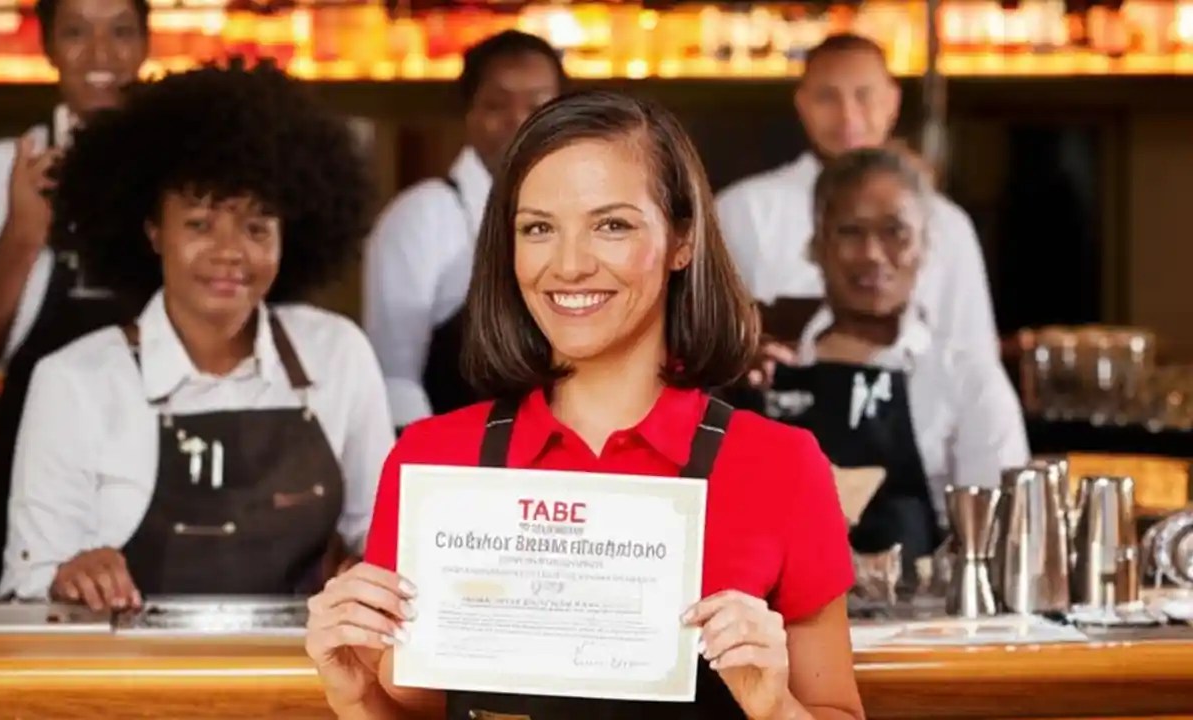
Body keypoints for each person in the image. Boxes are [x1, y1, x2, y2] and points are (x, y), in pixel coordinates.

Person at [306, 91, 864, 720]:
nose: (568, 266)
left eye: (612, 224)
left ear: (682, 239)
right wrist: (355, 695)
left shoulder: (780, 466)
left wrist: (773, 706)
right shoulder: (433, 461)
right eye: (538, 228)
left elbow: (834, 710)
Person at [0, 60, 393, 610]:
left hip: (304, 680)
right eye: (200, 224)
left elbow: (384, 538)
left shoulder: (337, 354)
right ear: (153, 231)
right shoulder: (74, 381)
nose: (230, 251)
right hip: (128, 685)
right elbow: (27, 582)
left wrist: (367, 569)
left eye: (257, 227)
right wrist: (69, 577)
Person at [0, 0, 150, 595]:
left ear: (146, 44)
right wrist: (22, 234)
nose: (101, 54)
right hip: (34, 477)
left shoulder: (186, 177)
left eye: (120, 31)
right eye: (76, 32)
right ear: (47, 46)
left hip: (161, 477)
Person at [742, 146, 1028, 567]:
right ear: (817, 245)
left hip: (928, 623)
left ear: (925, 246)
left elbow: (1005, 537)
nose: (873, 254)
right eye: (850, 232)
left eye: (895, 232)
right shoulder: (766, 369)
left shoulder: (968, 377)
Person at [716, 33, 997, 357]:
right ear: (802, 103)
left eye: (864, 95)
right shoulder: (744, 210)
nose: (848, 115)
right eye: (827, 97)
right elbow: (707, 342)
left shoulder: (946, 222)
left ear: (892, 101)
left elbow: (975, 355)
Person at [362, 29, 568, 430]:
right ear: (469, 113)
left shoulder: (583, 214)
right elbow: (394, 376)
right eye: (496, 104)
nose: (518, 121)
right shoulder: (423, 215)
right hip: (457, 464)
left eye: (539, 104)